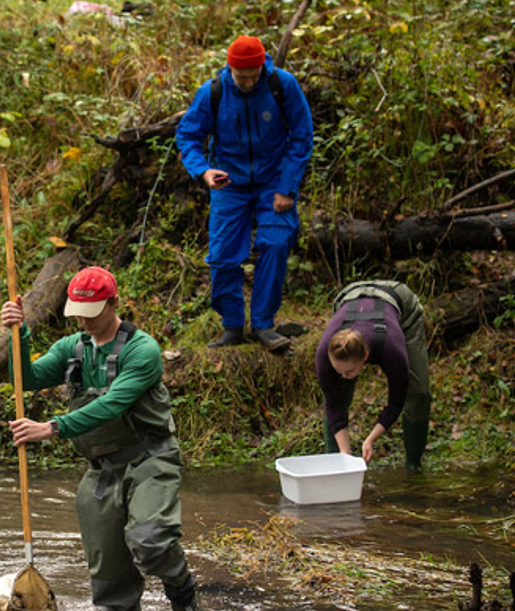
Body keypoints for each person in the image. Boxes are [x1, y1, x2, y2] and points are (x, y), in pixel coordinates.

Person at [0, 266, 200, 611]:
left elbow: (113, 405)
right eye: (78, 313)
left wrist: (52, 427)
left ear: (114, 303)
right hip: (102, 468)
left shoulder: (143, 350)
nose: (84, 321)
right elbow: (25, 379)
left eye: (92, 313)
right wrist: (19, 334)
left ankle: (184, 598)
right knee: (107, 567)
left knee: (150, 540)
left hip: (149, 458)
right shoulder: (72, 349)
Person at [175, 35, 313, 350]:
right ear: (230, 68)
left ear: (262, 66)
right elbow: (187, 136)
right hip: (230, 184)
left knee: (276, 244)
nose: (249, 82)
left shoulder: (282, 84)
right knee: (223, 257)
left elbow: (302, 135)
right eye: (242, 76)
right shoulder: (213, 92)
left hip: (274, 182)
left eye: (254, 75)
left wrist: (287, 187)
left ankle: (264, 325)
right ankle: (233, 326)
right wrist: (204, 170)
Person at [315, 280, 431, 469]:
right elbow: (333, 405)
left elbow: (396, 402)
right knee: (339, 393)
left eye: (350, 371)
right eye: (339, 371)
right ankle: (335, 464)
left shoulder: (391, 349)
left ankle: (413, 466)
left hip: (398, 299)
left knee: (418, 393)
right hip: (350, 295)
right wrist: (345, 453)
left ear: (366, 357)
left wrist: (370, 439)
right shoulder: (324, 355)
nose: (344, 375)